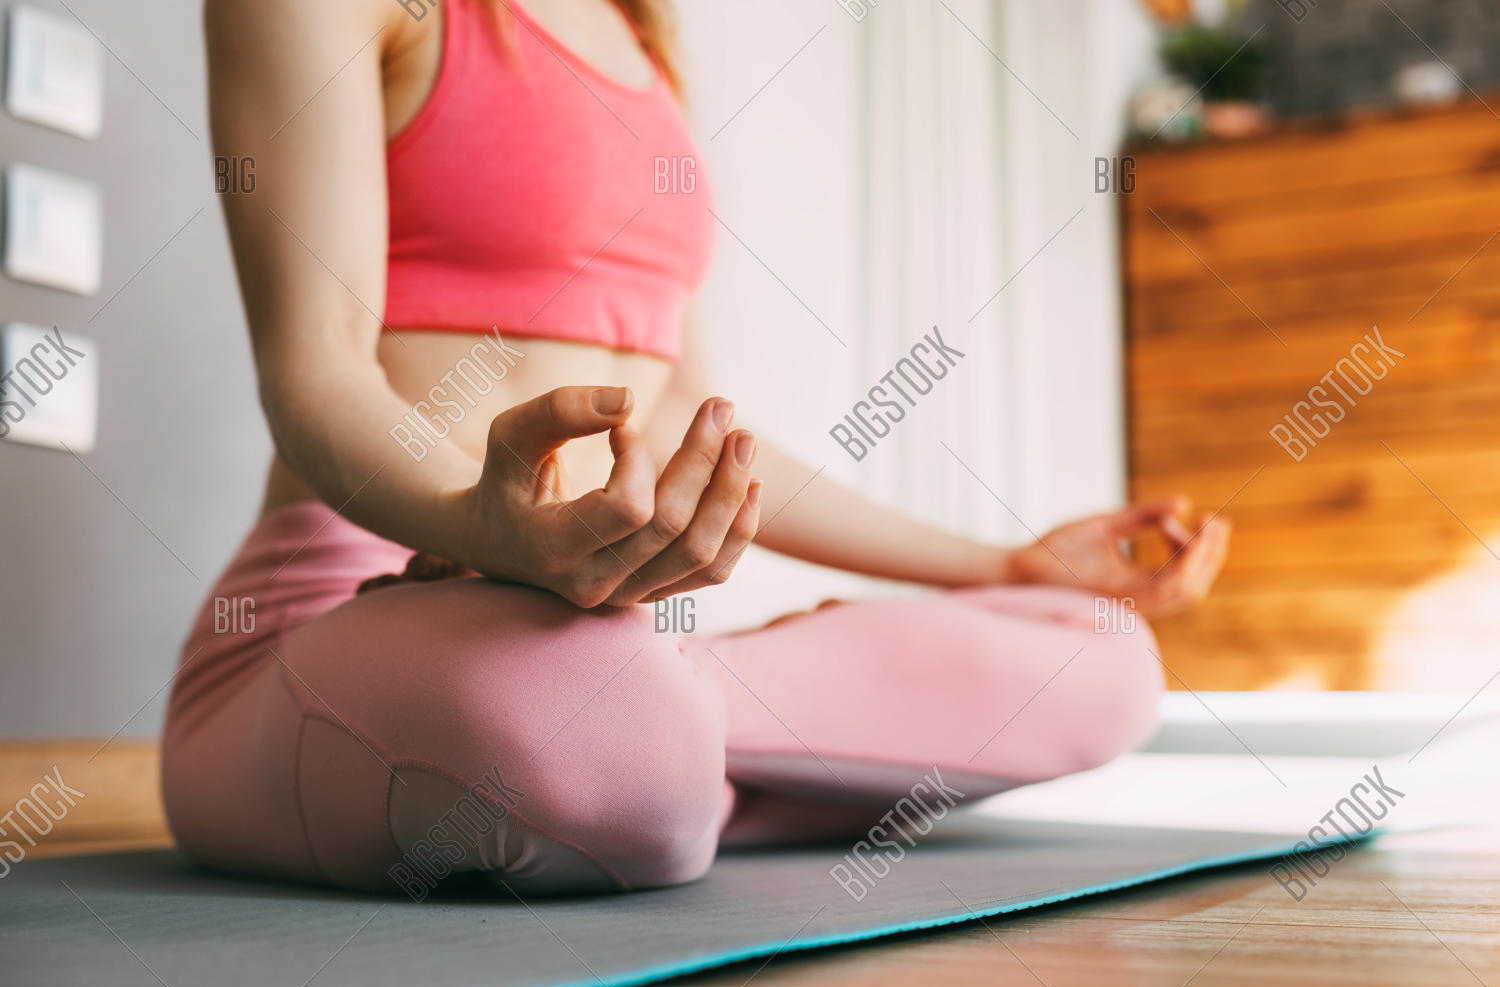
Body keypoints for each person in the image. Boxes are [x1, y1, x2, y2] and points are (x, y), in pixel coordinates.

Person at [163, 0, 1231, 895]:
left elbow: (695, 425)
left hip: (591, 641)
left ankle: (655, 744)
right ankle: (665, 742)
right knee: (607, 721)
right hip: (351, 611)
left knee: (1102, 653)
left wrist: (1009, 564)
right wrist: (474, 523)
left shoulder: (641, 37)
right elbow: (316, 371)